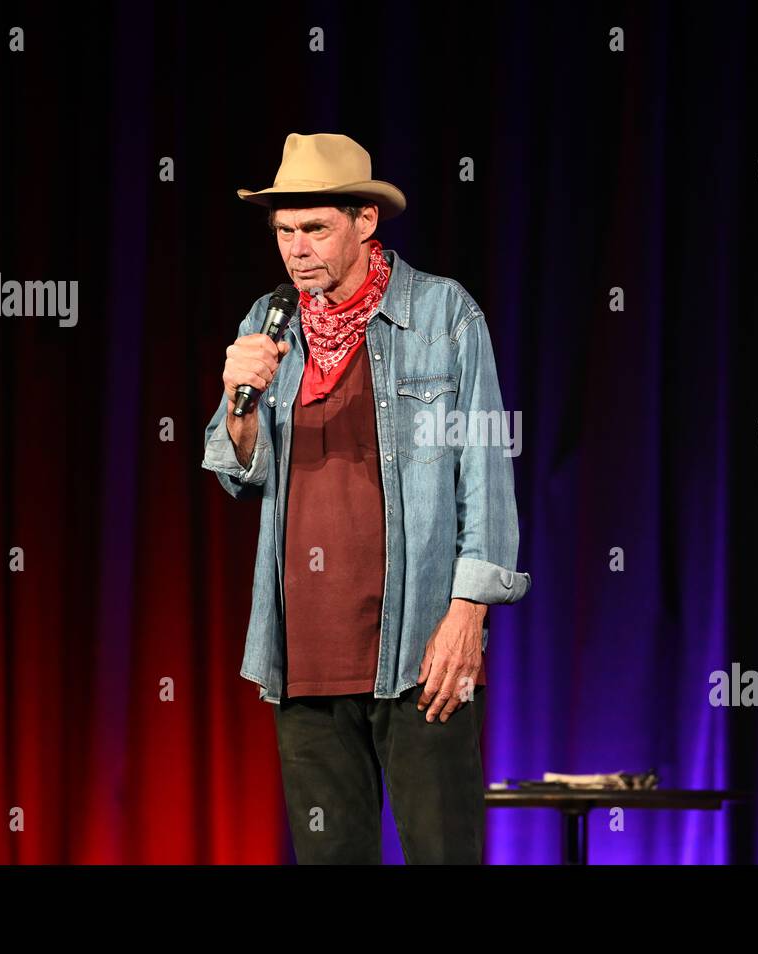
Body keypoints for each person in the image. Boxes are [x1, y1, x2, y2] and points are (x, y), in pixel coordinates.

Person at [201, 132, 531, 864]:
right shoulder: (268, 322)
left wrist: (468, 615)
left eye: (315, 228)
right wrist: (238, 400)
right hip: (303, 658)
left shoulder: (443, 314)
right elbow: (239, 474)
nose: (296, 249)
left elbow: (486, 473)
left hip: (420, 654)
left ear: (366, 221)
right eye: (284, 231)